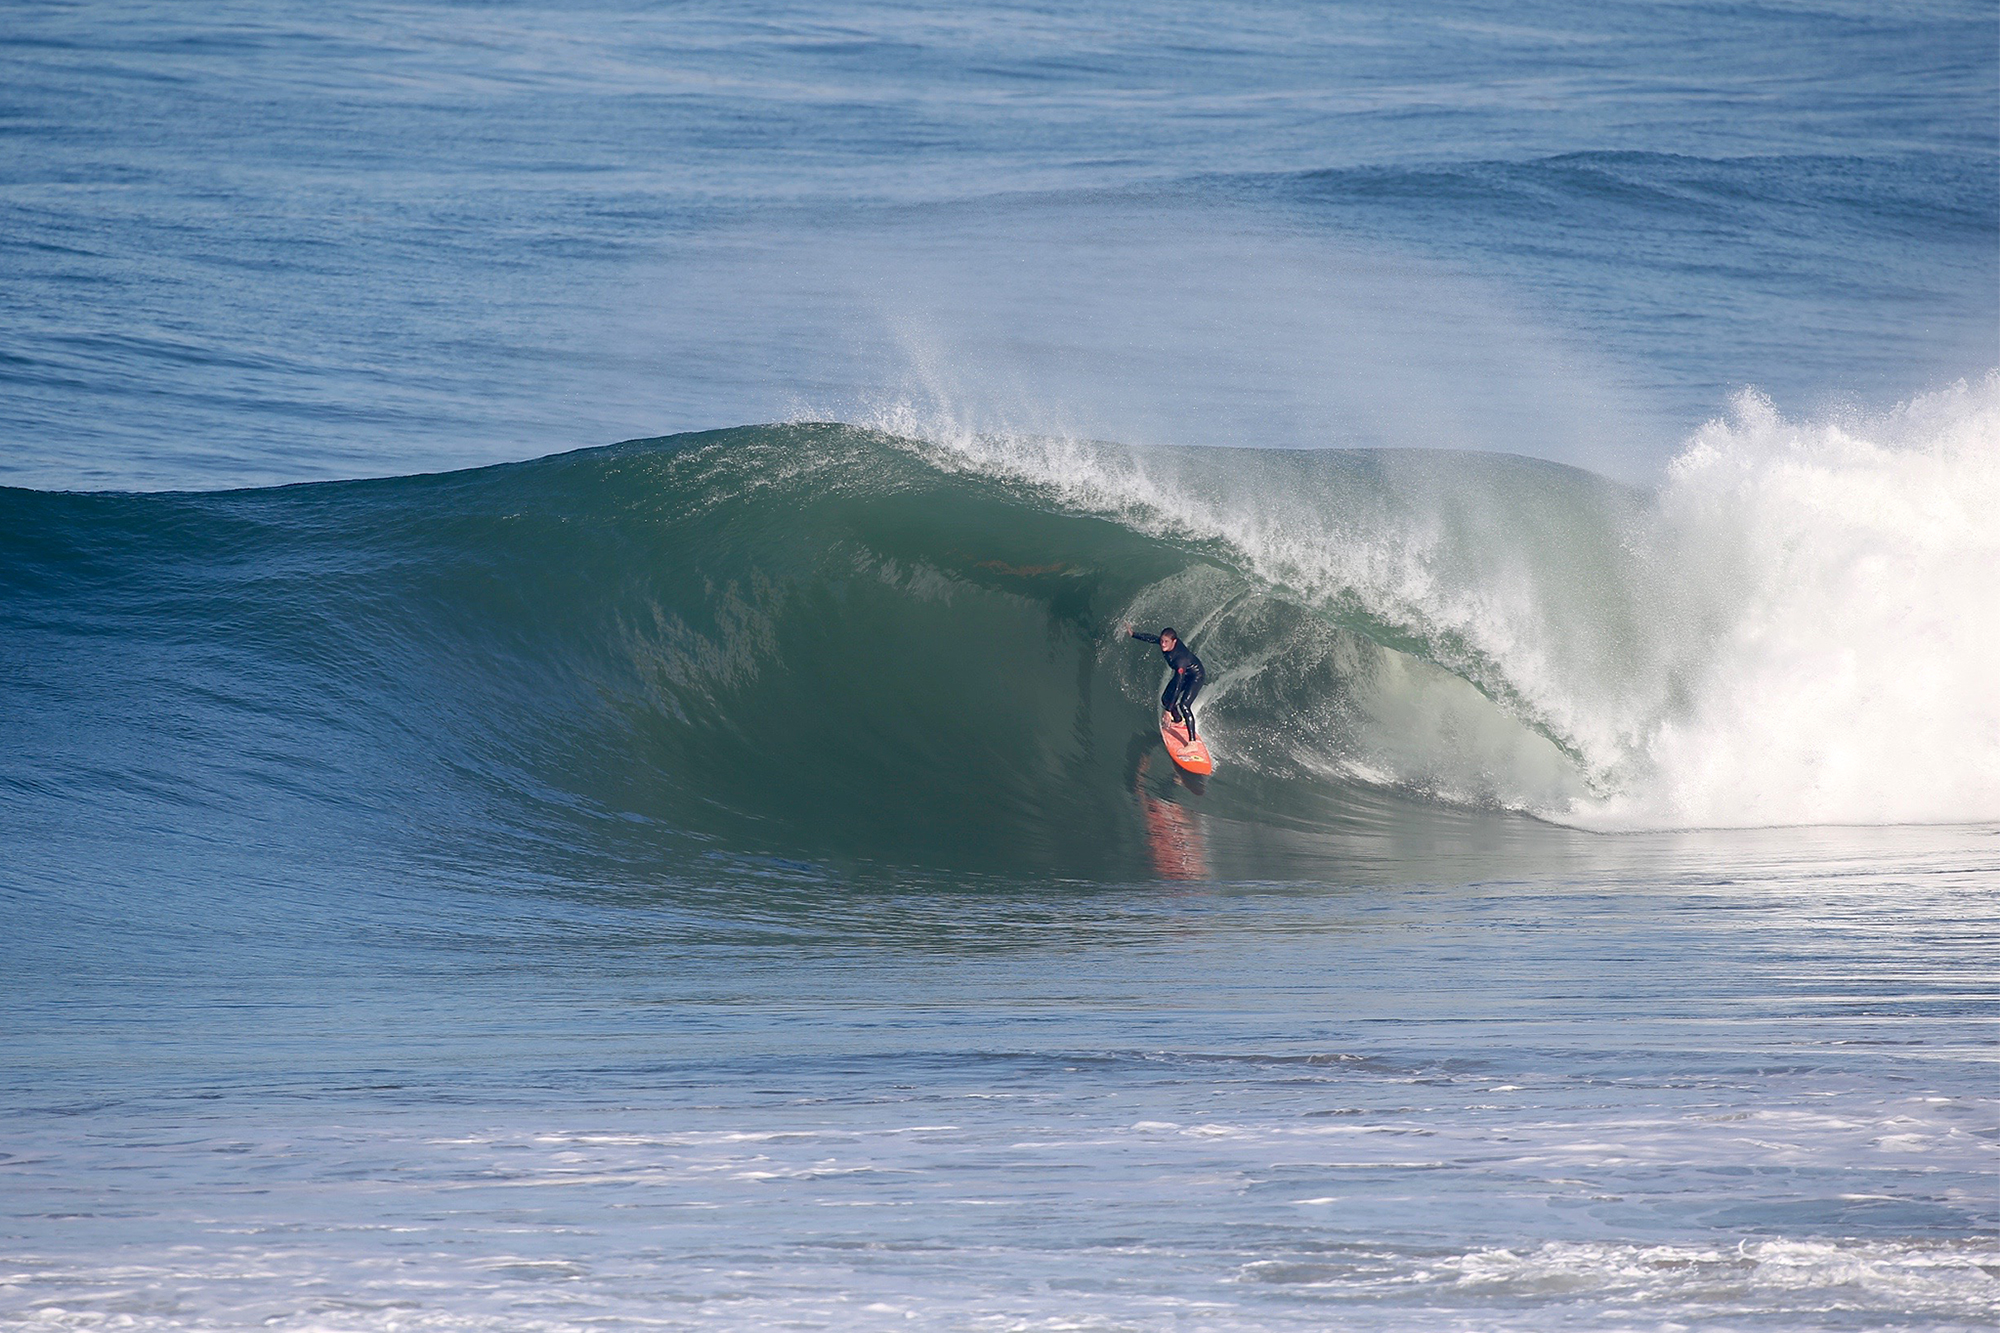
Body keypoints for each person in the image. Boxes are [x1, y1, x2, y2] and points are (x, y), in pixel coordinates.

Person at [1127, 625, 1205, 739]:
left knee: (1184, 705)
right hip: (1185, 674)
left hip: (1196, 676)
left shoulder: (1180, 660)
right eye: (1162, 641)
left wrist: (1168, 710)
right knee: (1165, 699)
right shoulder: (1165, 642)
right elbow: (1152, 638)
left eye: (1166, 642)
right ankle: (1178, 721)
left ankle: (1192, 742)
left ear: (1174, 641)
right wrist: (1133, 634)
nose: (1163, 644)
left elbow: (1178, 686)